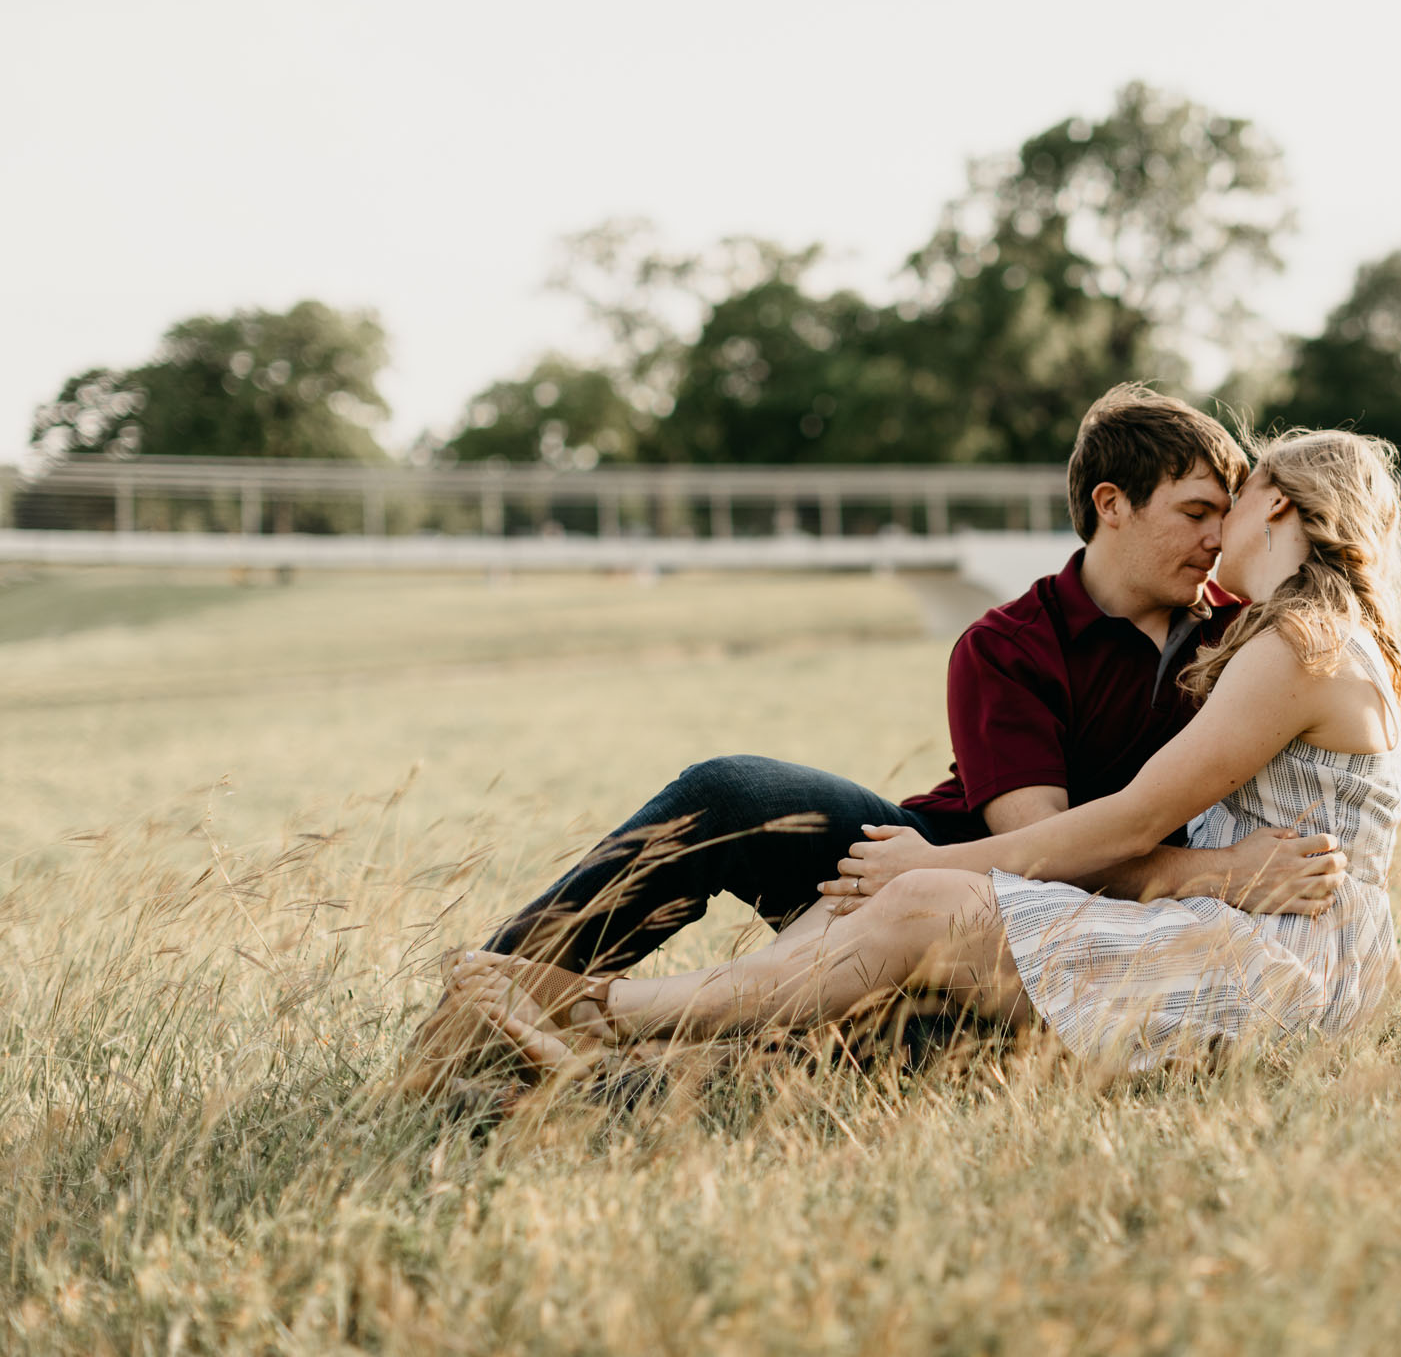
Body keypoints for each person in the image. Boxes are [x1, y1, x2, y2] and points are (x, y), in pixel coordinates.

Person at [399, 386, 1347, 1092]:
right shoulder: (1007, 645)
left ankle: (595, 1056)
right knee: (736, 789)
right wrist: (1204, 873)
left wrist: (1207, 884)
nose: (1216, 541)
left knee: (898, 1049)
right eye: (1194, 513)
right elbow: (1034, 855)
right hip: (951, 861)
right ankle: (494, 1005)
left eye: (1226, 518)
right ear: (1111, 504)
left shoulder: (1240, 639)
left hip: (1070, 921)